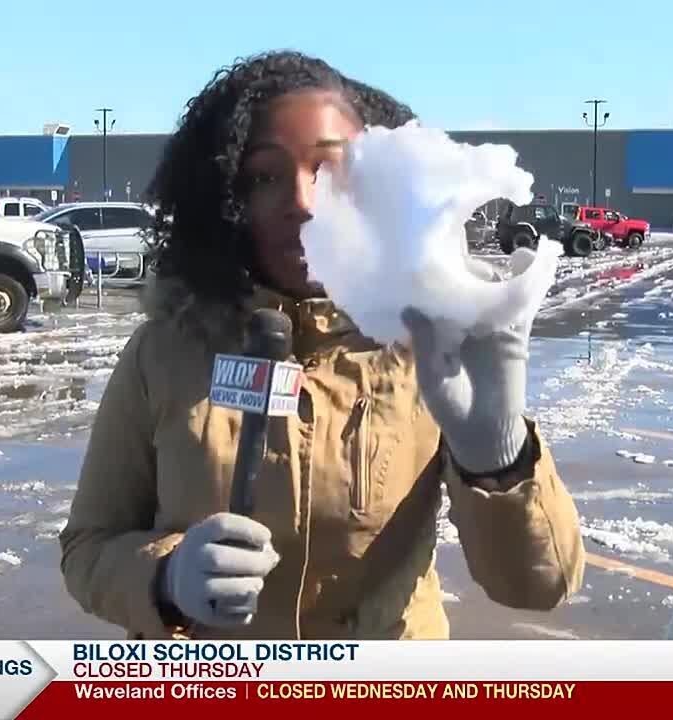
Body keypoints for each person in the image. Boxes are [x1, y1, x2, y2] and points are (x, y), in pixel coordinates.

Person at [60, 50, 584, 640]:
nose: (302, 201)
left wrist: (498, 458)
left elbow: (541, 586)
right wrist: (165, 578)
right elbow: (87, 548)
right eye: (264, 177)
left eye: (331, 172)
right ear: (226, 195)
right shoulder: (164, 352)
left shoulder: (428, 349)